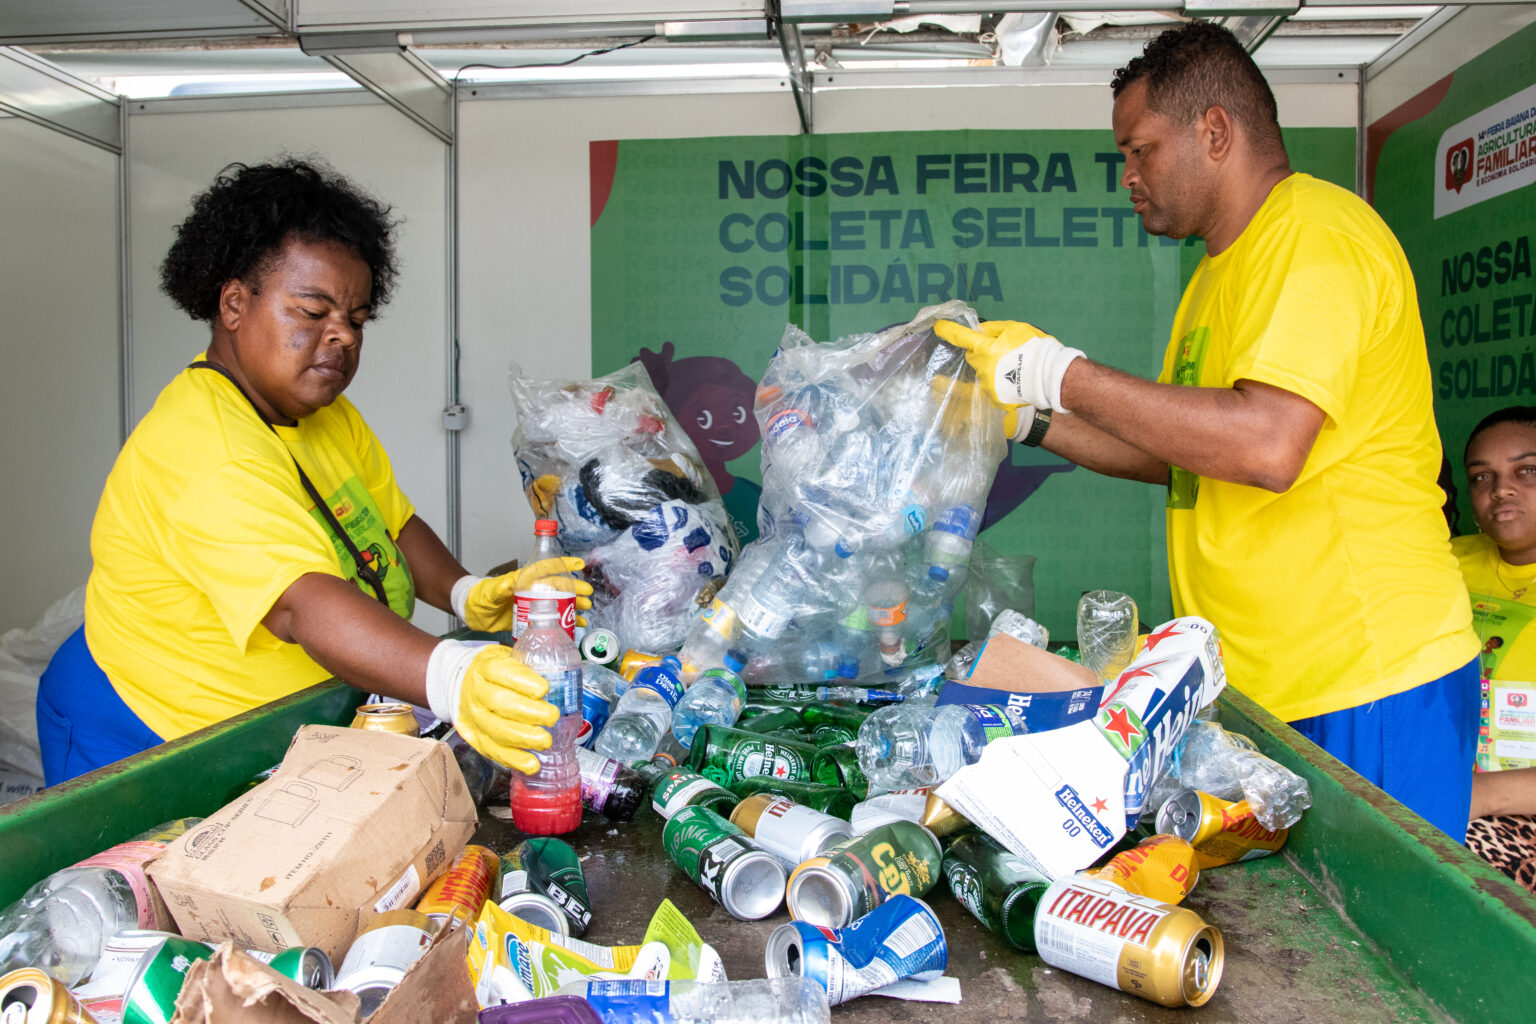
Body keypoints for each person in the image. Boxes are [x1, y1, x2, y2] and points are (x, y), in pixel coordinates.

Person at [935, 21, 1478, 838]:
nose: (1129, 177)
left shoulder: (1312, 237)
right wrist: (1033, 419)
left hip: (1368, 677)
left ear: (1215, 132)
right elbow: (1185, 453)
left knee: (1395, 948)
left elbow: (1263, 445)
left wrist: (1061, 372)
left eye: (1141, 150)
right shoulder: (1218, 274)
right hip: (1271, 682)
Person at [37, 159, 591, 785]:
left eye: (355, 320)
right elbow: (303, 607)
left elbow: (391, 523)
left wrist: (463, 592)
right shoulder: (206, 448)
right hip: (152, 729)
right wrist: (451, 675)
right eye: (311, 311)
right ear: (234, 303)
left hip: (284, 723)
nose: (342, 338)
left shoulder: (324, 414)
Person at [1453, 407, 1536, 889]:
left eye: (1527, 471)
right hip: (1454, 781)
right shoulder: (1446, 562)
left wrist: (1476, 795)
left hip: (1495, 807)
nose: (1500, 489)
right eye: (1482, 476)